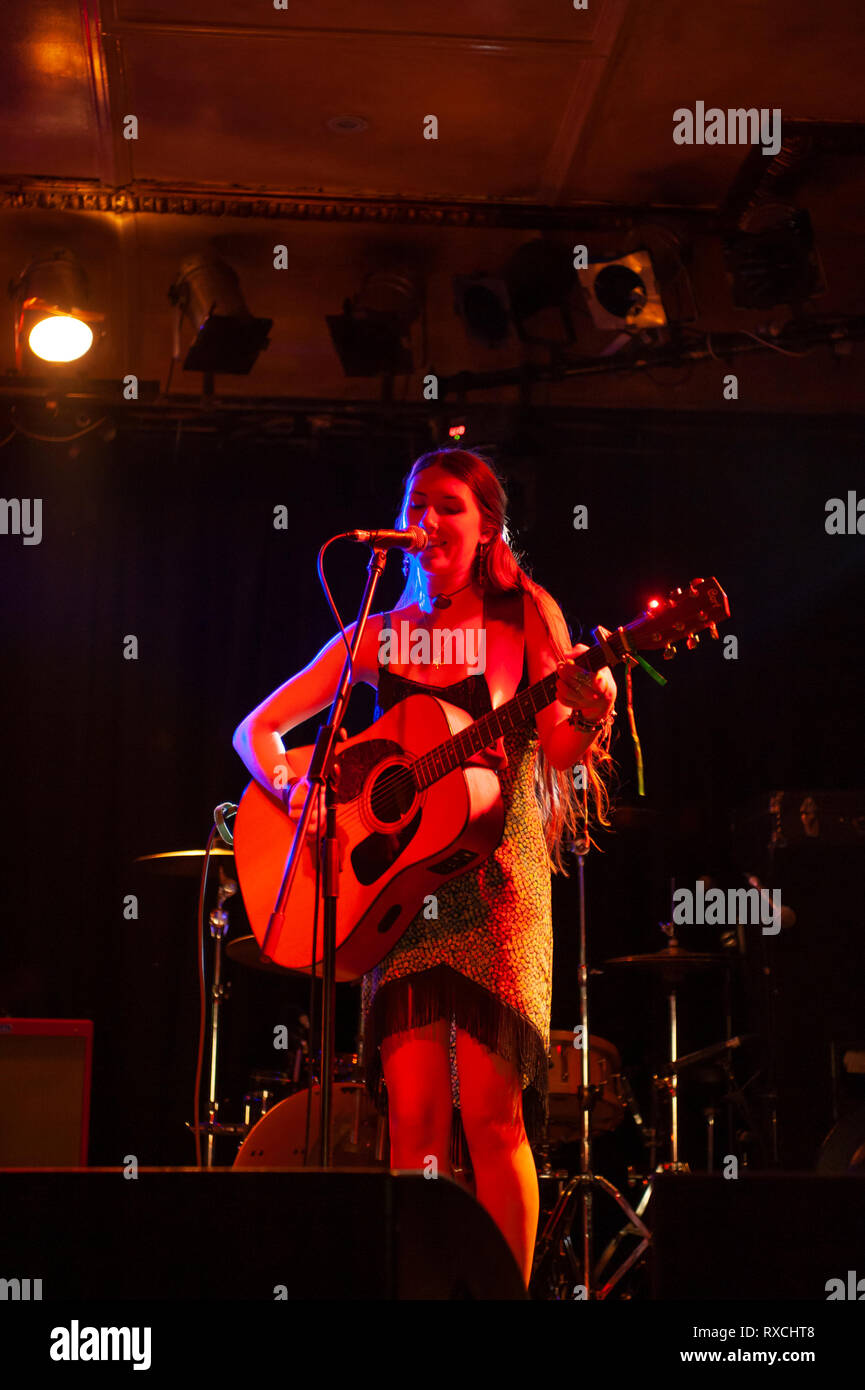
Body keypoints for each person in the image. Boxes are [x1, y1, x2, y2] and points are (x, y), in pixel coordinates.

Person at [232, 448, 617, 1288]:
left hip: (494, 877)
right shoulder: (380, 633)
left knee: (491, 1113)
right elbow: (256, 730)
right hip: (398, 891)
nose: (430, 520)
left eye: (449, 505)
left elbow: (553, 745)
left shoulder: (524, 616)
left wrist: (591, 714)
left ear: (486, 527)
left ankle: (506, 1297)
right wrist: (292, 787)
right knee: (412, 1122)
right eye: (418, 504)